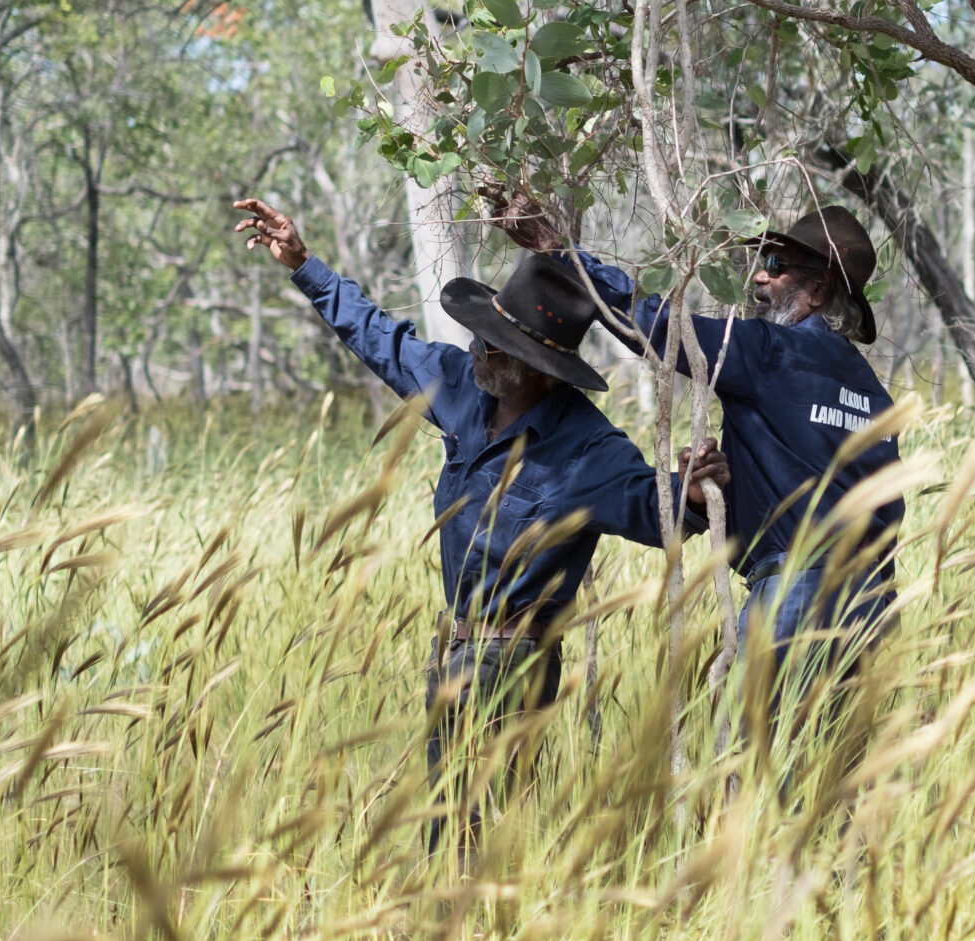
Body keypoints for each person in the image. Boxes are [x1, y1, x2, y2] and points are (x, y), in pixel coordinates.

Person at [233, 197, 729, 855]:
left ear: (535, 366)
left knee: (475, 833)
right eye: (481, 334)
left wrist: (692, 491)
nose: (475, 347)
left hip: (514, 662)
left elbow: (652, 506)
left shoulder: (585, 448)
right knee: (448, 826)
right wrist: (303, 265)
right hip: (456, 651)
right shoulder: (466, 390)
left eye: (493, 342)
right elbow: (382, 339)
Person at [493, 198, 903, 713]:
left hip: (799, 597)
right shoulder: (876, 397)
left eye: (777, 268)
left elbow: (660, 327)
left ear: (818, 290)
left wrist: (563, 254)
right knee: (841, 784)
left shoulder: (770, 352)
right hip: (876, 606)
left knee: (762, 776)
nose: (758, 277)